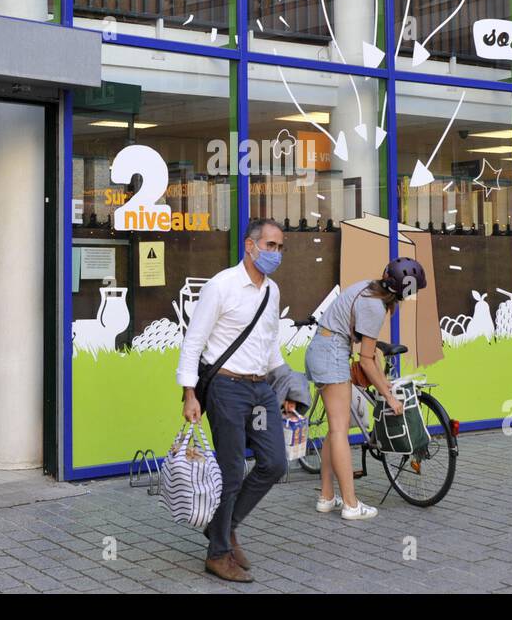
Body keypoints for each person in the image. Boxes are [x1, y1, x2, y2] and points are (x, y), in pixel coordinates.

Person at [177, 217, 295, 583]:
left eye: (279, 248)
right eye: (269, 246)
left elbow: (269, 343)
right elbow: (193, 340)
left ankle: (223, 527)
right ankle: (218, 554)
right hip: (226, 388)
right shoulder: (222, 286)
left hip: (261, 389)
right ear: (250, 245)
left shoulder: (271, 291)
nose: (275, 253)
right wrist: (190, 393)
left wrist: (287, 383)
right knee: (231, 471)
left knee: (275, 462)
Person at [305, 257, 428, 520]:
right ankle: (351, 504)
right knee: (339, 430)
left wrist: (385, 388)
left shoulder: (369, 287)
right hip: (331, 353)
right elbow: (367, 359)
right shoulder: (375, 306)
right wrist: (389, 396)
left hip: (324, 348)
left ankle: (326, 497)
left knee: (333, 430)